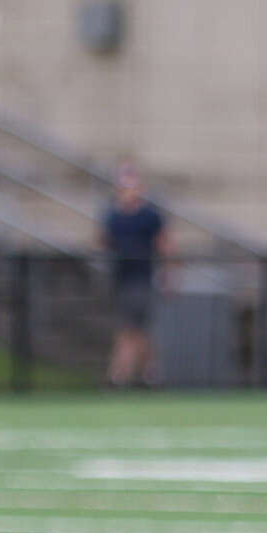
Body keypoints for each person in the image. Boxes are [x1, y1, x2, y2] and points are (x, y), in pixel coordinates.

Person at [101, 162, 170, 387]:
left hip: (143, 278)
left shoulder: (149, 216)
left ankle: (139, 374)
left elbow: (164, 245)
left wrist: (168, 274)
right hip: (122, 279)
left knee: (139, 330)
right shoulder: (113, 216)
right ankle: (127, 374)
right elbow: (103, 242)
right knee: (127, 328)